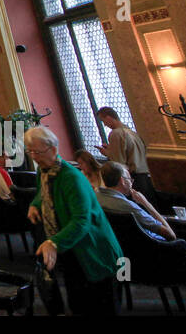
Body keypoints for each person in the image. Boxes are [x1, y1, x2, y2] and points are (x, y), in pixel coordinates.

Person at [25, 125, 124, 315]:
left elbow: (82, 221)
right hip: (72, 250)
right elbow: (43, 193)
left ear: (53, 149)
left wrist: (54, 243)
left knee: (102, 306)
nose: (34, 157)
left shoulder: (72, 178)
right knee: (78, 303)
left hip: (95, 252)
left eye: (38, 152)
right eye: (30, 152)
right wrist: (35, 204)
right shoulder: (44, 171)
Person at [97, 161, 176, 241]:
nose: (131, 183)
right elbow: (170, 235)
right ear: (122, 181)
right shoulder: (129, 206)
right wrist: (146, 203)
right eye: (129, 179)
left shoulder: (96, 198)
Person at [96, 107, 153, 199]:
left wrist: (107, 153)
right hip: (145, 176)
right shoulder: (130, 131)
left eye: (103, 121)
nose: (105, 125)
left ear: (108, 118)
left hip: (133, 178)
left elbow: (118, 163)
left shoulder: (116, 134)